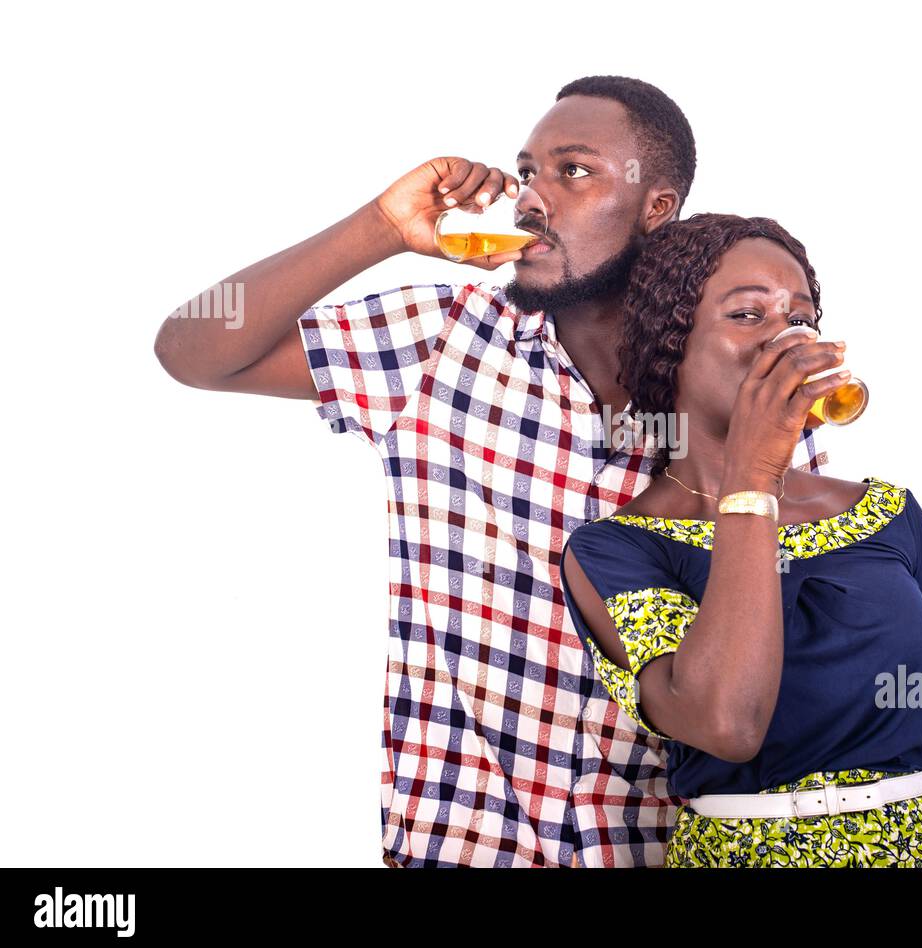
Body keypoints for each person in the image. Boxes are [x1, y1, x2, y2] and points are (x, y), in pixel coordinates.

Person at [153, 77, 833, 867]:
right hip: (467, 844)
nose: (531, 198)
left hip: (667, 848)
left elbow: (787, 639)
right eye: (528, 170)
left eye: (573, 171)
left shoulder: (745, 385)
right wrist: (379, 227)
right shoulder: (439, 341)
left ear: (657, 205)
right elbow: (192, 348)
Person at [559, 213, 922, 866]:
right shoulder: (615, 550)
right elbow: (727, 723)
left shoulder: (890, 514)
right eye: (748, 314)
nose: (786, 339)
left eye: (800, 318)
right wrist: (753, 476)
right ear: (672, 342)